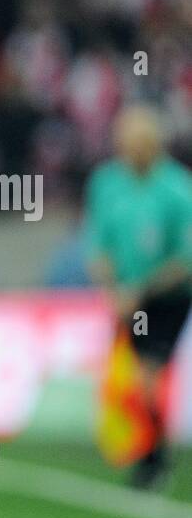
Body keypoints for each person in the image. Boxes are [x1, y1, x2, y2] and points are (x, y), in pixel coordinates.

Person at [84, 105, 192, 490]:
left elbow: (185, 259)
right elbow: (99, 247)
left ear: (154, 145)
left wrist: (140, 290)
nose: (130, 153)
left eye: (138, 145)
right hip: (126, 298)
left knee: (149, 376)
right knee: (133, 379)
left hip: (167, 298)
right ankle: (150, 452)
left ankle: (154, 458)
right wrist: (113, 290)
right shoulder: (107, 183)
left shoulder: (178, 190)